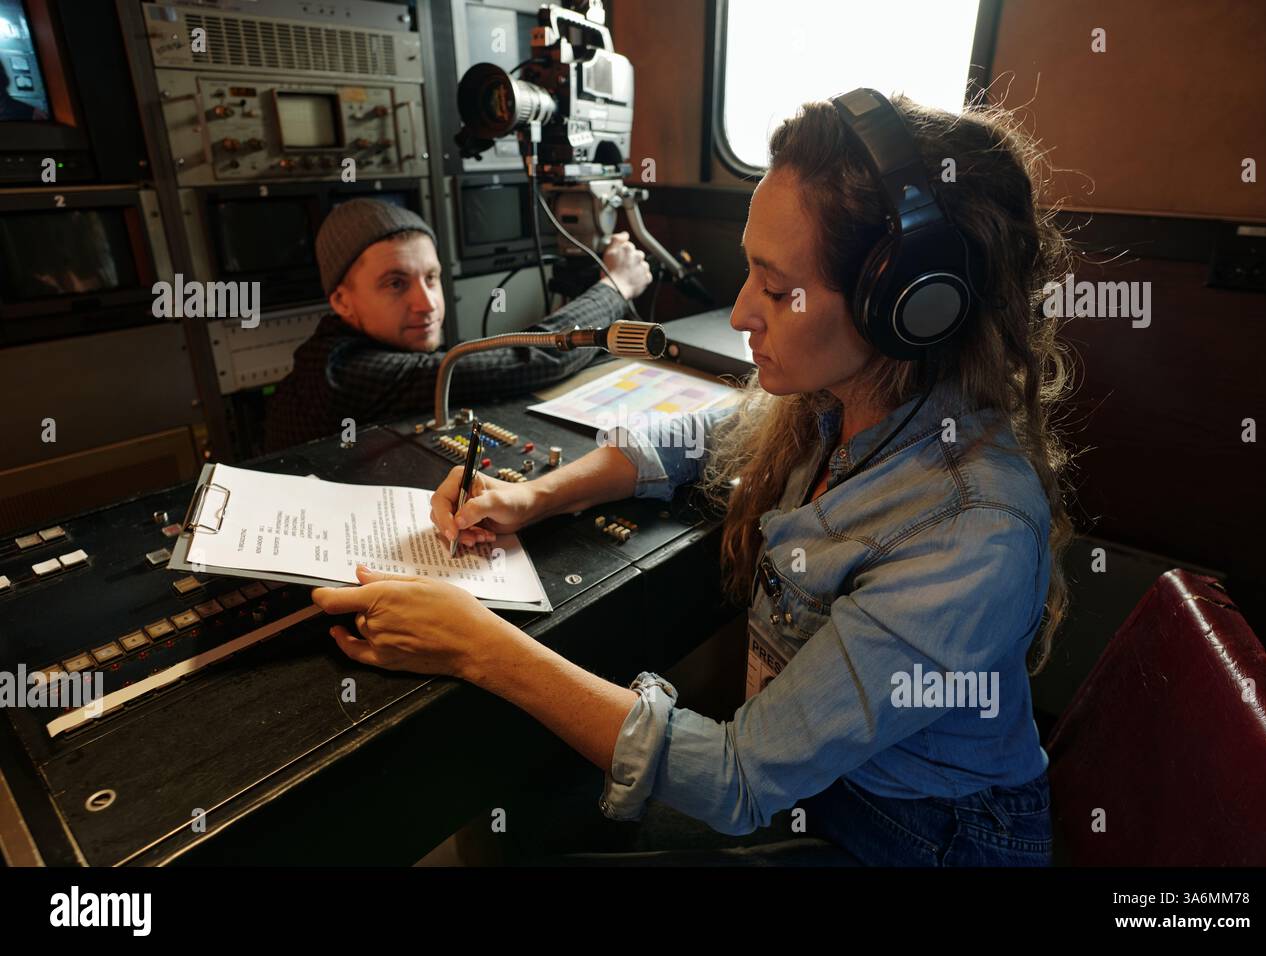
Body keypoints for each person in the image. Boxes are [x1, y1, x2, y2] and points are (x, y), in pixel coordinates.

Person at [310, 93, 1076, 866]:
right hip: (827, 783)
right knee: (534, 795)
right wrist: (534, 495)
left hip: (909, 837)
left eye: (777, 290)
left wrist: (479, 646)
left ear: (907, 307)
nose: (743, 312)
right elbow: (703, 436)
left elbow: (738, 779)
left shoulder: (973, 530)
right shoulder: (840, 402)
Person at [263, 198, 651, 450]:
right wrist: (617, 287)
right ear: (342, 301)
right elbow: (530, 359)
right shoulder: (343, 373)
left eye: (431, 278)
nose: (427, 303)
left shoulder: (361, 347)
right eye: (396, 283)